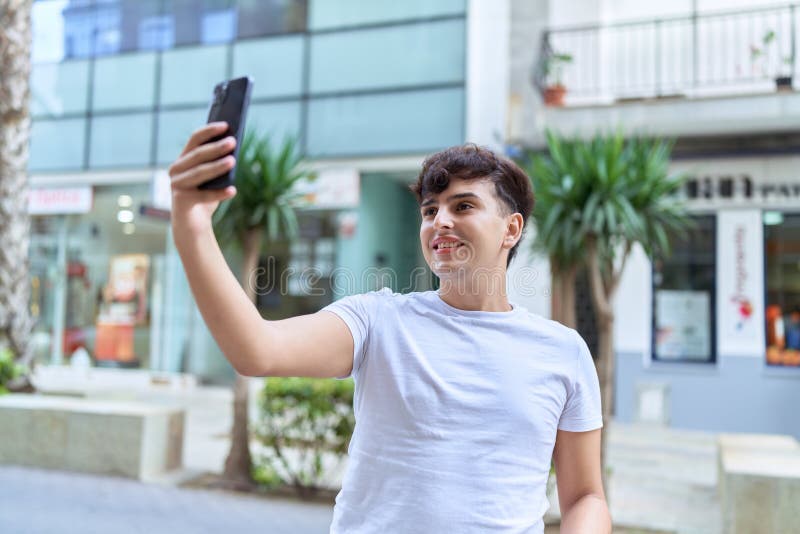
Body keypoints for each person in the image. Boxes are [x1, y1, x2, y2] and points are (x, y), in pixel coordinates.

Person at [168, 122, 611, 533]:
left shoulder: (562, 350)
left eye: (464, 206)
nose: (440, 221)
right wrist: (192, 224)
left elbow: (585, 496)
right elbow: (256, 350)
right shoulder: (377, 321)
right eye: (430, 210)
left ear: (511, 229)